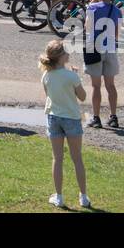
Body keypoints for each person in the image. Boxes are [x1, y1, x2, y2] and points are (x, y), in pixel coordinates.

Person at [39, 39, 90, 209]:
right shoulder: (71, 76)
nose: (69, 54)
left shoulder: (46, 75)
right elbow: (82, 97)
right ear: (61, 57)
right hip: (72, 119)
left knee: (57, 158)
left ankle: (59, 197)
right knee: (77, 159)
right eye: (66, 52)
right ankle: (83, 197)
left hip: (53, 118)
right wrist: (77, 78)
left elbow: (49, 94)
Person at [85, 0, 121, 129]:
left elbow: (87, 27)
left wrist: (92, 1)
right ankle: (113, 116)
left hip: (94, 47)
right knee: (110, 85)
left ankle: (96, 117)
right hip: (110, 48)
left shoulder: (93, 8)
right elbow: (117, 34)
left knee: (96, 86)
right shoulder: (117, 10)